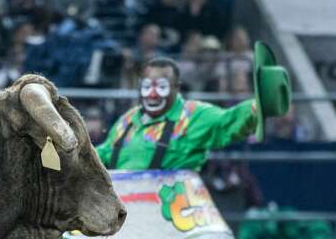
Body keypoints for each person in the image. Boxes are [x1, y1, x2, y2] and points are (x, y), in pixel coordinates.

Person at [96, 46, 290, 170]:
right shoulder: (129, 119)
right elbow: (104, 152)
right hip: (123, 216)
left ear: (175, 87)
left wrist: (257, 107)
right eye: (147, 87)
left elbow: (227, 122)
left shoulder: (194, 115)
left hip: (169, 217)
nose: (152, 95)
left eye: (161, 87)